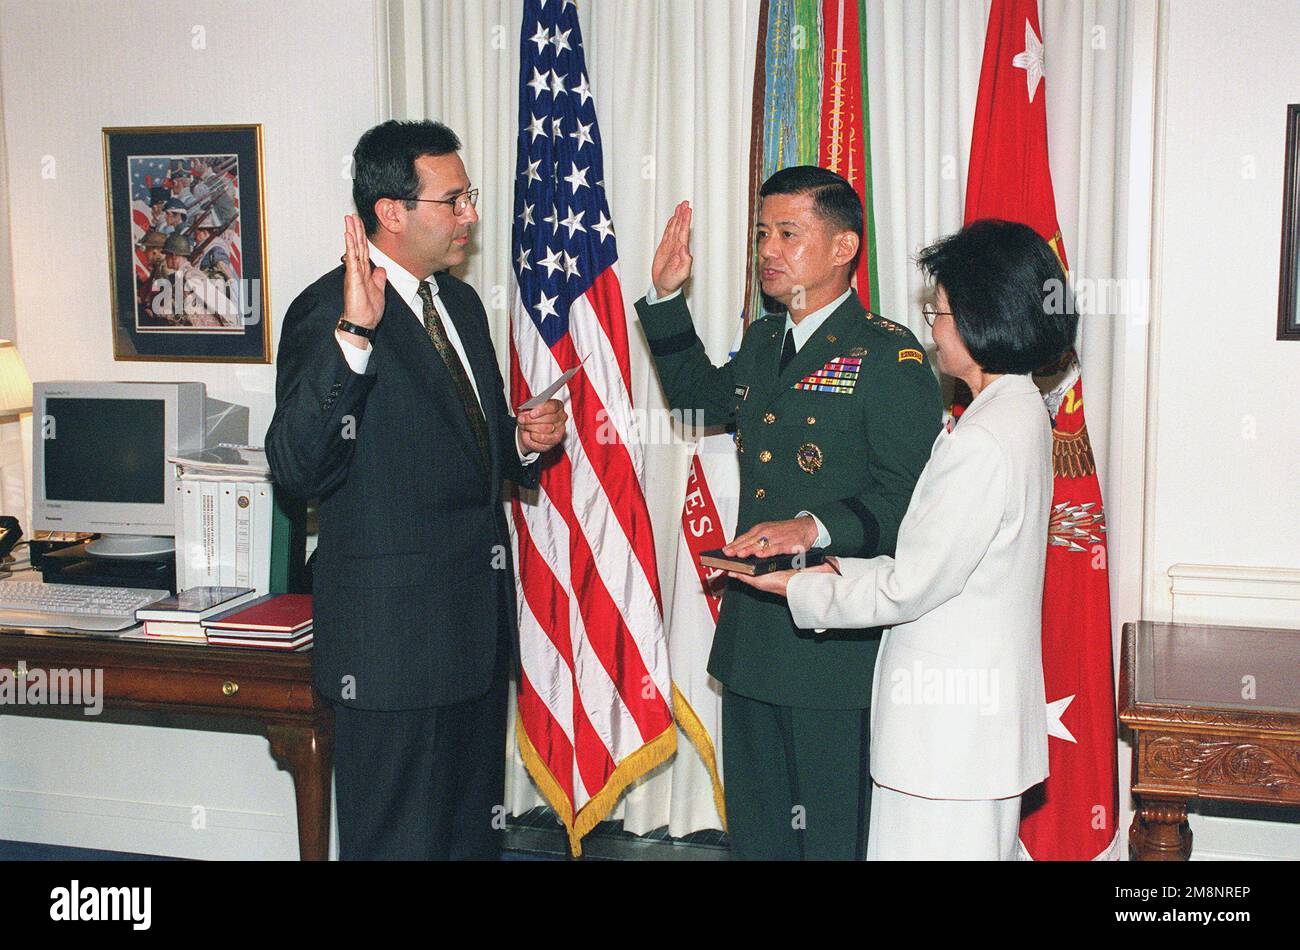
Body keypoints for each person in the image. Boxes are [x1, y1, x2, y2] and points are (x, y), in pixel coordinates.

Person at [265, 119, 567, 860]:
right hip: (391, 651)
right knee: (397, 844)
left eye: (470, 198)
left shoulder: (456, 303)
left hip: (472, 637)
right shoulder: (328, 311)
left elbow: (460, 449)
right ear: (392, 213)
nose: (471, 215)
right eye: (454, 200)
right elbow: (299, 467)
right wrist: (354, 338)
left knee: (469, 842)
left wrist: (519, 443)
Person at [731, 219, 1078, 860]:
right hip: (969, 732)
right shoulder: (1020, 409)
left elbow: (910, 586)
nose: (932, 330)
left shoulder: (981, 441)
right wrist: (834, 566)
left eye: (940, 312)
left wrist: (799, 586)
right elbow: (941, 566)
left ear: (982, 319)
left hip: (947, 737)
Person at [636, 166, 942, 859]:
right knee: (760, 832)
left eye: (788, 234)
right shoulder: (767, 341)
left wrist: (813, 526)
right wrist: (666, 297)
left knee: (830, 835)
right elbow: (700, 402)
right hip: (754, 636)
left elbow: (908, 502)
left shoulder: (887, 355)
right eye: (762, 234)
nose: (768, 250)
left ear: (843, 248)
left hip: (833, 644)